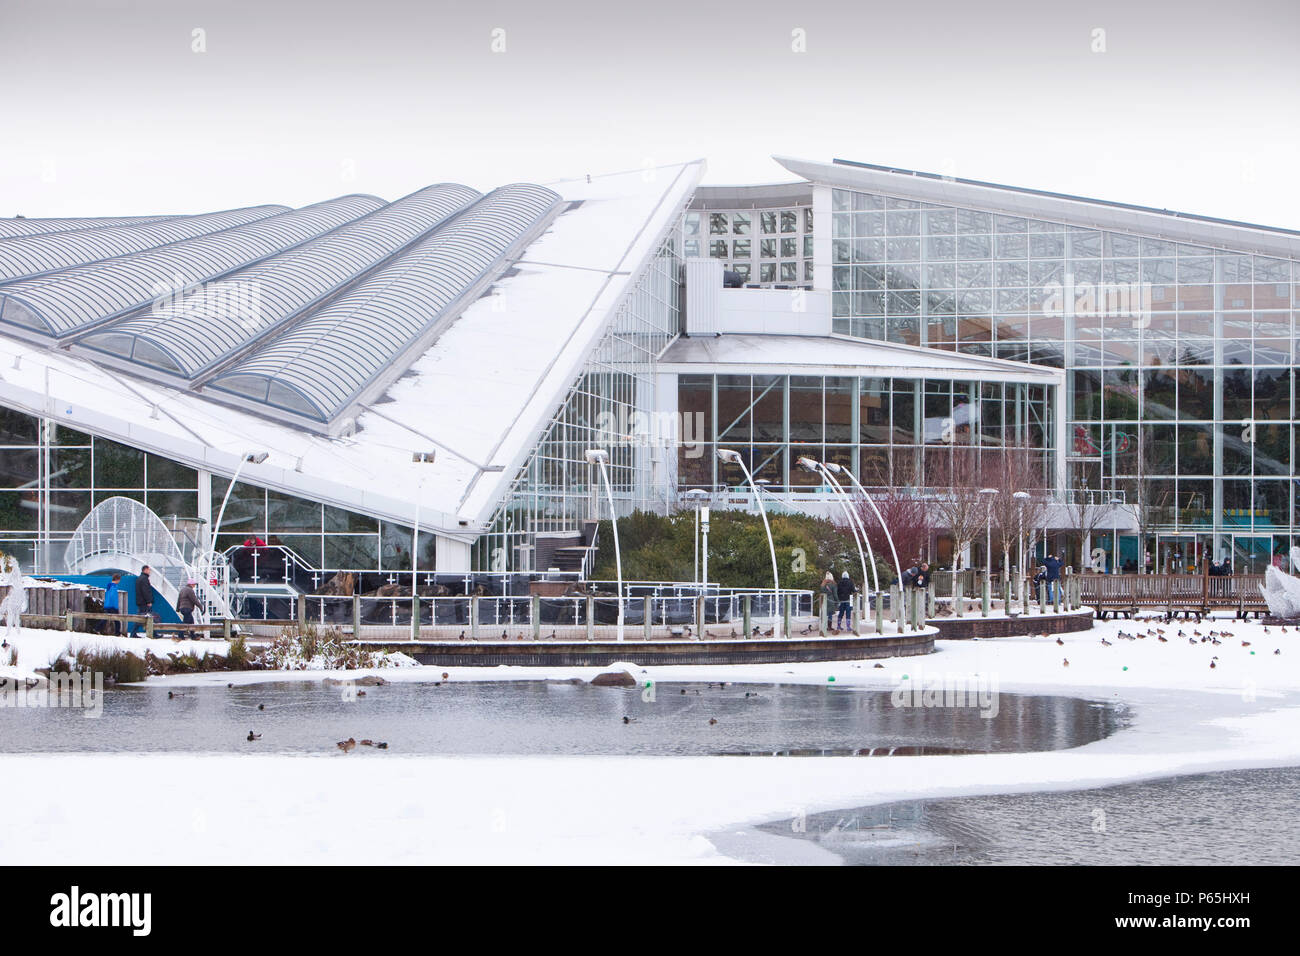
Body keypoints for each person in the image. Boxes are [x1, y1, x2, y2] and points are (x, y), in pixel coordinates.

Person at [131, 566, 155, 637]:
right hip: (144, 603)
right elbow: (146, 591)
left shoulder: (139, 578)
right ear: (146, 570)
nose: (150, 571)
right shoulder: (144, 579)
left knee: (140, 618)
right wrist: (149, 601)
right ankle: (153, 633)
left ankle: (133, 633)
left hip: (140, 602)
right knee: (147, 618)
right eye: (149, 570)